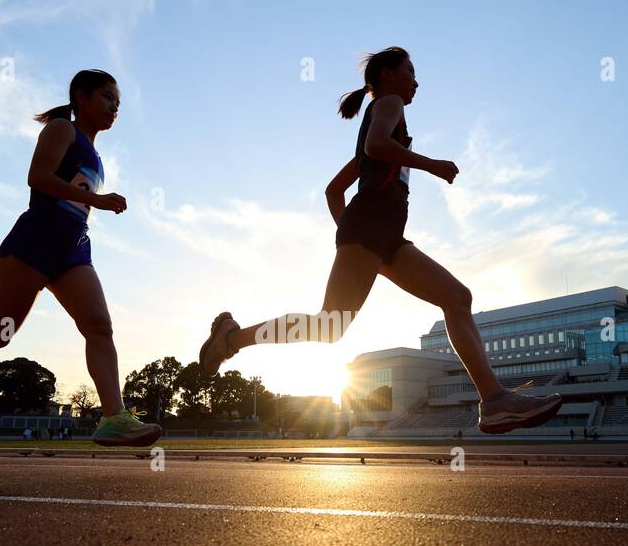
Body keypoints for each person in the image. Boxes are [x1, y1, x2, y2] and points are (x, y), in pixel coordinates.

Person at [198, 46, 562, 434]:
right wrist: (430, 166)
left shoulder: (383, 127)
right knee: (328, 327)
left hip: (384, 236)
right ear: (388, 76)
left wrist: (352, 233)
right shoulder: (389, 104)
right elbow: (373, 149)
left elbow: (334, 190)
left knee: (457, 298)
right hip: (372, 229)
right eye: (410, 71)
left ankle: (493, 401)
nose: (416, 81)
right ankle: (232, 339)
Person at [0, 69, 161, 448]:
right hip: (34, 241)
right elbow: (37, 177)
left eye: (119, 102)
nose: (115, 107)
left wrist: (91, 203)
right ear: (82, 96)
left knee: (98, 324)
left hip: (73, 247)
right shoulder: (62, 129)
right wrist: (97, 199)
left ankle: (114, 417)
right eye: (108, 97)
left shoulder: (96, 155)